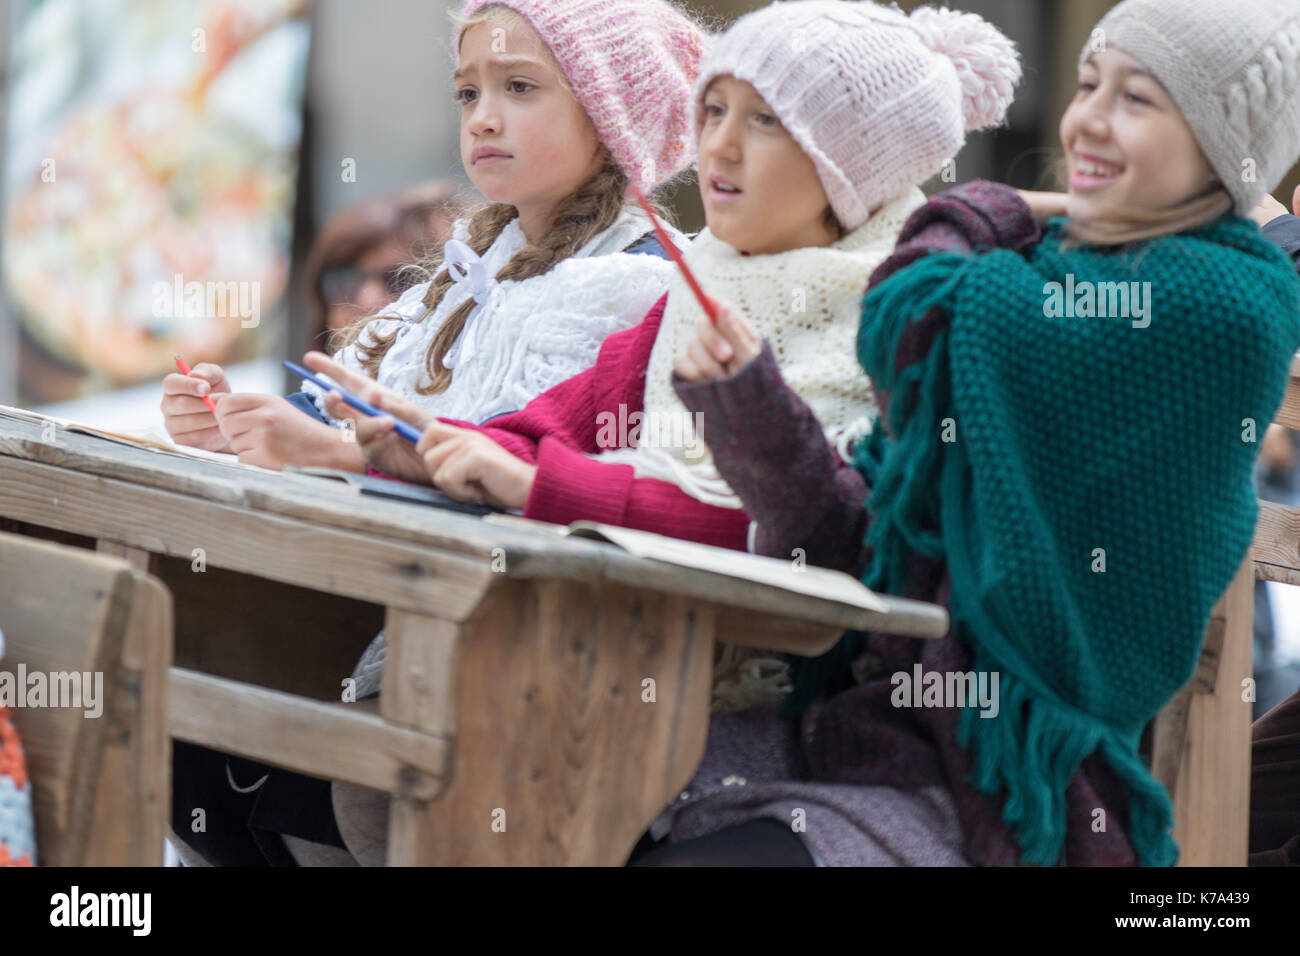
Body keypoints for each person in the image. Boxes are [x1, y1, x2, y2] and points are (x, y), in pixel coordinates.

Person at [659, 0, 1300, 865]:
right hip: (879, 734)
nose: (1089, 121)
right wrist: (752, 407)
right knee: (584, 784)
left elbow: (912, 305)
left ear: (1224, 145)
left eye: (1139, 99)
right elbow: (863, 549)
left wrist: (990, 206)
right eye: (1086, 83)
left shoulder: (1206, 307)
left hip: (1009, 789)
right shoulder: (1051, 270)